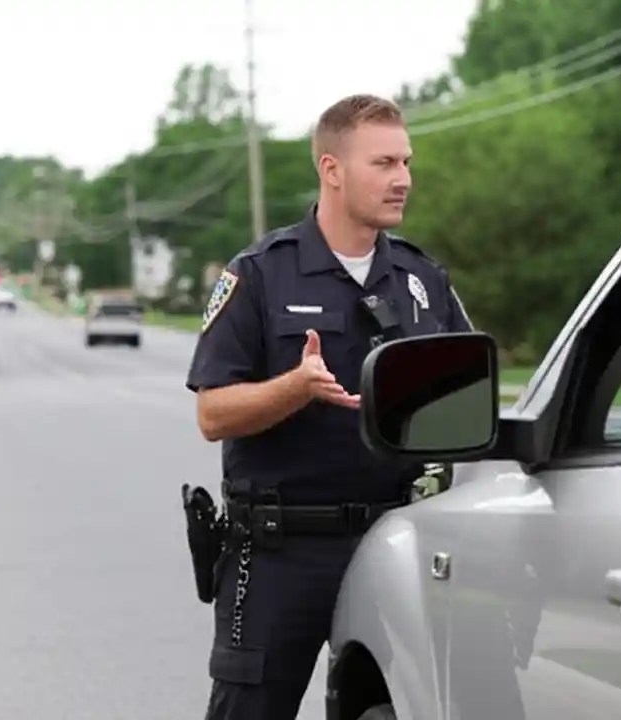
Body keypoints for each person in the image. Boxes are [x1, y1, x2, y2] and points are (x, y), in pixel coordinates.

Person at [185, 93, 473, 720]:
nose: (403, 179)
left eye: (406, 161)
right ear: (331, 169)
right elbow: (213, 414)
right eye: (384, 163)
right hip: (279, 552)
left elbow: (466, 405)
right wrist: (296, 386)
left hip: (393, 540)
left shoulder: (424, 283)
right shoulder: (261, 275)